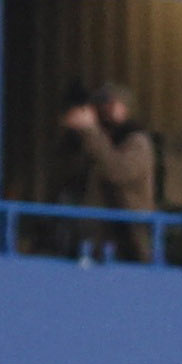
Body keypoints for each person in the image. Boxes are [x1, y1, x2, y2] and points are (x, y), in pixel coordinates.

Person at [59, 82, 155, 262]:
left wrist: (90, 131)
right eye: (103, 104)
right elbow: (67, 173)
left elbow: (117, 171)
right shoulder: (94, 141)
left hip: (127, 240)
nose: (107, 109)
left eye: (113, 104)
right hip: (92, 238)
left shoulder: (137, 141)